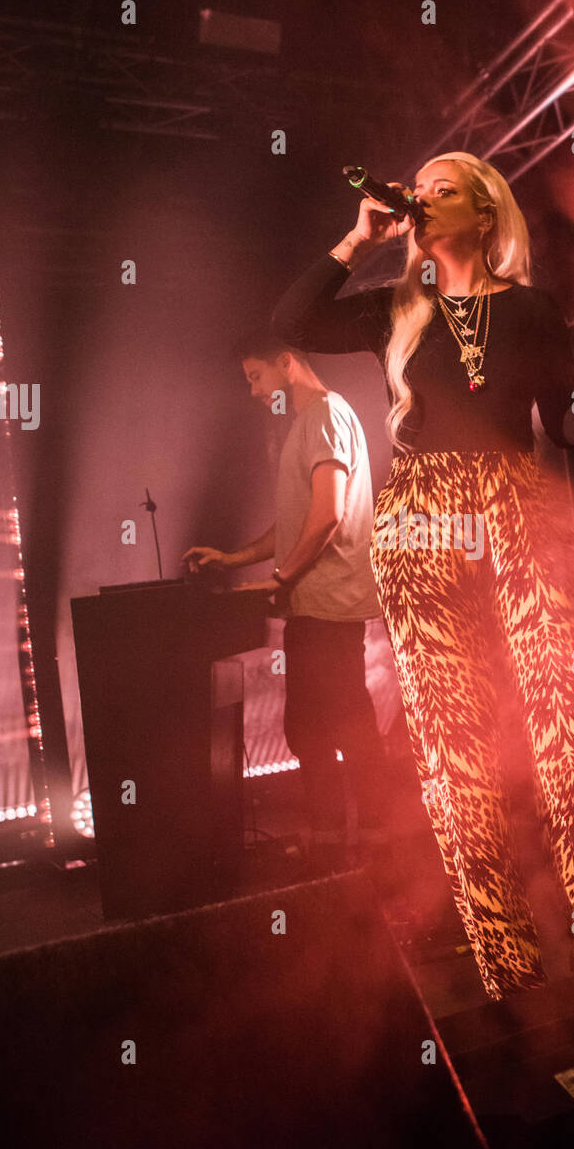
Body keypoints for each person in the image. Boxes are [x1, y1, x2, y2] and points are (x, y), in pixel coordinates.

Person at [270, 150, 574, 1000]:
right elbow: (293, 320)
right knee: (451, 747)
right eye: (417, 190)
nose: (420, 199)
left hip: (514, 499)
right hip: (420, 512)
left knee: (562, 720)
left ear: (484, 214)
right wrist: (358, 239)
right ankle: (507, 969)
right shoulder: (394, 310)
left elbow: (557, 430)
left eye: (441, 189)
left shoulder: (528, 312)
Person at [183, 331, 387, 875]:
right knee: (319, 730)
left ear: (287, 363)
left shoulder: (324, 414)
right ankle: (350, 851)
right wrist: (232, 558)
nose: (253, 391)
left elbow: (327, 514)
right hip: (313, 607)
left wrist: (279, 578)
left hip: (327, 606)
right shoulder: (310, 423)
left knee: (336, 731)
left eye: (256, 376)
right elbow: (295, 522)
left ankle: (364, 857)